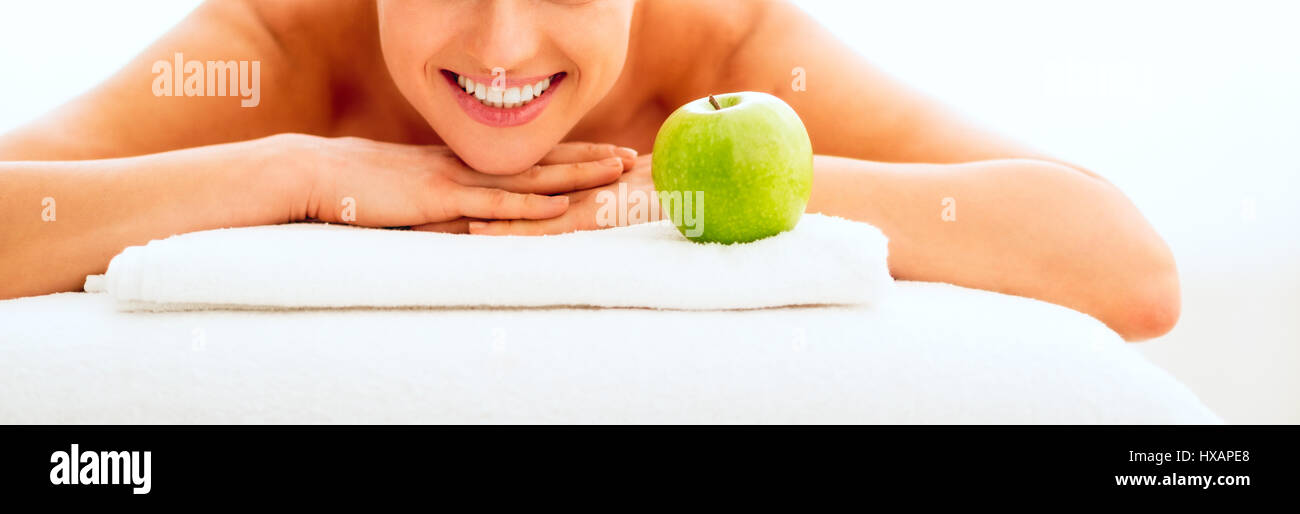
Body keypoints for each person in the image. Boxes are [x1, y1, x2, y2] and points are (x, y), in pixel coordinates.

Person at [0, 0, 1179, 340]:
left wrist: (688, 192)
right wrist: (302, 171)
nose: (503, 47)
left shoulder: (731, 52)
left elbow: (1125, 273)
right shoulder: (277, 51)